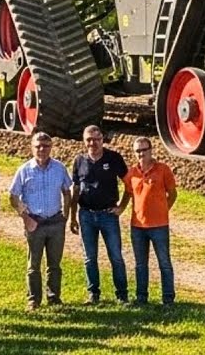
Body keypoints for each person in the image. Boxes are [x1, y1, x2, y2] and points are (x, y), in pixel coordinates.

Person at [9, 131, 72, 310]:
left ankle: (54, 297)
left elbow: (67, 192)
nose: (42, 149)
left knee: (55, 264)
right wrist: (25, 217)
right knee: (33, 264)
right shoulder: (24, 170)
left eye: (45, 146)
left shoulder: (59, 168)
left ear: (51, 147)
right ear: (32, 147)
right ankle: (33, 300)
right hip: (34, 223)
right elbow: (13, 197)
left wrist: (65, 215)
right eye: (38, 146)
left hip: (55, 222)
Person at [68, 124, 129, 305]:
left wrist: (122, 207)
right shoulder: (79, 161)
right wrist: (72, 216)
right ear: (84, 141)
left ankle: (122, 295)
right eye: (89, 139)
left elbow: (129, 185)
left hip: (108, 215)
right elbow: (76, 190)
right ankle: (93, 294)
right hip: (86, 215)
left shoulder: (114, 158)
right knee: (89, 257)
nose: (93, 143)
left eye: (96, 139)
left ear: (103, 139)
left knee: (116, 257)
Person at [118, 136, 177, 307]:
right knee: (140, 264)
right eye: (138, 151)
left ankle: (168, 299)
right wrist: (121, 208)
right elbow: (128, 193)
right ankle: (141, 298)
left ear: (151, 150)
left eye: (144, 150)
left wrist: (164, 210)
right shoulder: (132, 173)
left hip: (159, 226)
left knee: (164, 263)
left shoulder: (163, 170)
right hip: (138, 227)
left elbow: (172, 194)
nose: (141, 154)